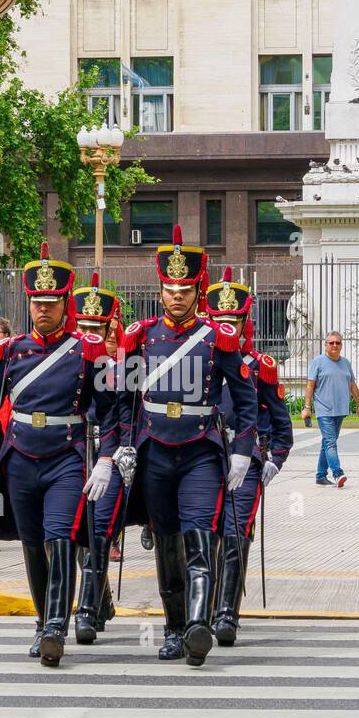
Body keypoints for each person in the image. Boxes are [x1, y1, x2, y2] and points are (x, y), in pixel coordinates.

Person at [117, 226, 258, 666]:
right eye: (169, 289)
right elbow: (123, 397)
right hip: (155, 449)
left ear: (198, 290)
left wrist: (242, 450)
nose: (176, 296)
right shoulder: (141, 336)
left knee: (200, 536)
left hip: (200, 448)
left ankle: (198, 625)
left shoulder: (219, 338)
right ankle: (175, 628)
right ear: (160, 290)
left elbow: (246, 396)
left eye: (184, 290)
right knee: (167, 543)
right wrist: (123, 445)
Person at [0, 247, 114, 665]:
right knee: (33, 545)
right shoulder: (8, 351)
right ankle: (41, 622)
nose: (43, 309)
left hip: (66, 456)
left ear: (65, 304)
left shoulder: (88, 350)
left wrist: (105, 458)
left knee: (61, 538)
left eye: (51, 303)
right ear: (29, 303)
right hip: (19, 457)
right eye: (37, 302)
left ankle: (56, 627)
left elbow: (109, 411)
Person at [202, 267, 294, 647]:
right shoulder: (199, 363)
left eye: (232, 321)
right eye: (219, 320)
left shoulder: (261, 366)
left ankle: (227, 613)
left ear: (243, 323)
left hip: (247, 461)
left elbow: (281, 424)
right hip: (205, 457)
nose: (226, 327)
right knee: (204, 534)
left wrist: (274, 459)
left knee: (235, 534)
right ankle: (201, 608)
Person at [69, 273, 126, 639]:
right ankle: (101, 598)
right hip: (76, 452)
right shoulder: (73, 361)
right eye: (85, 325)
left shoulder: (127, 364)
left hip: (114, 456)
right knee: (77, 533)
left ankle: (87, 609)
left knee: (100, 530)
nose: (94, 334)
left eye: (100, 328)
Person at [302, 332, 359, 488]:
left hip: (340, 409)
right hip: (324, 410)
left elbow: (352, 385)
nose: (335, 345)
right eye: (331, 343)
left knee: (327, 442)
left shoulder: (345, 363)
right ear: (326, 345)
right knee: (331, 443)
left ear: (341, 345)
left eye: (337, 343)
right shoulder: (318, 362)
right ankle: (338, 473)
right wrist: (307, 407)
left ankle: (320, 475)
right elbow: (310, 385)